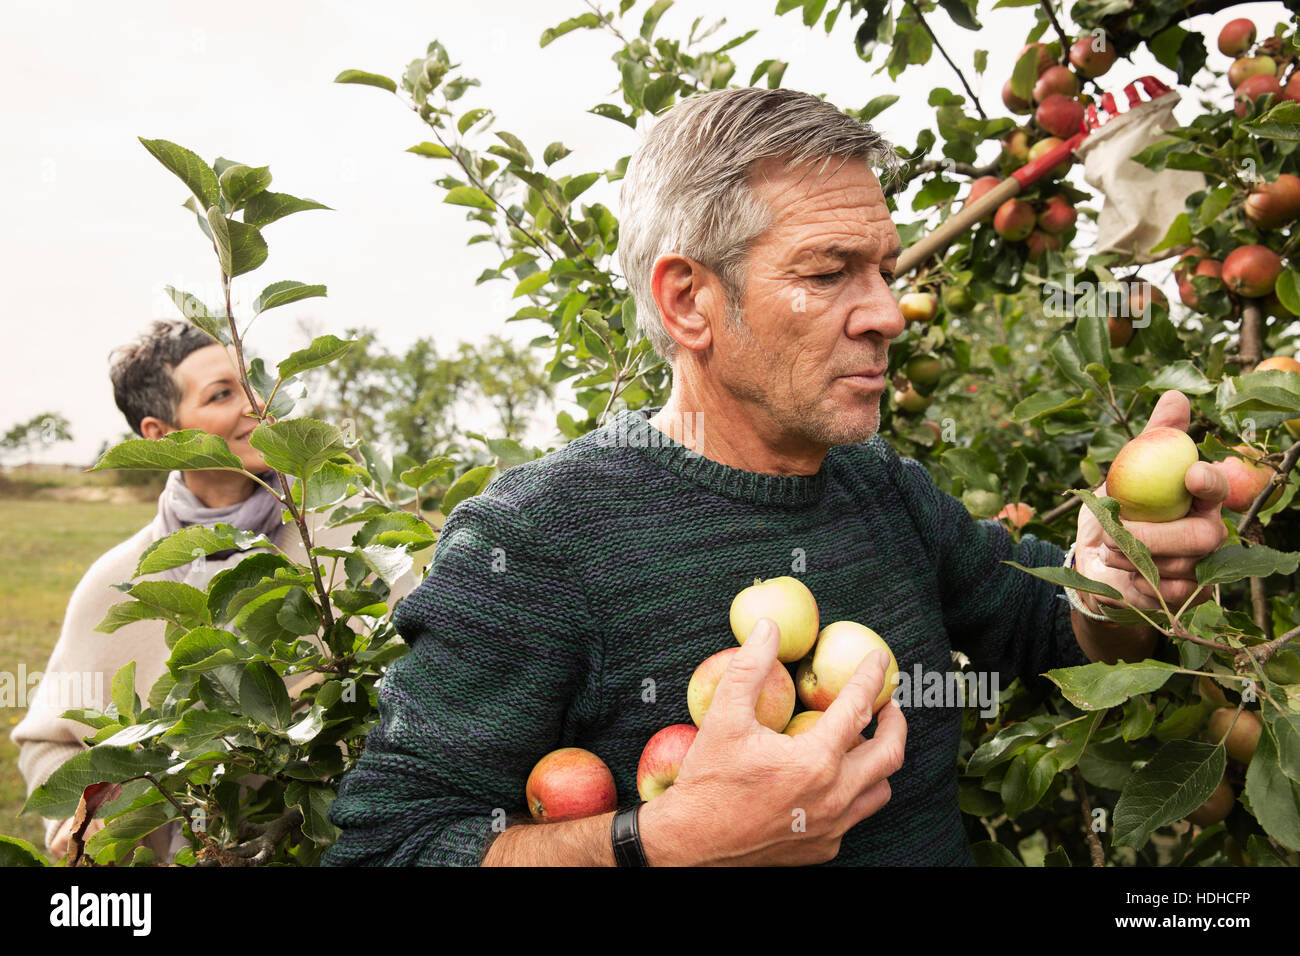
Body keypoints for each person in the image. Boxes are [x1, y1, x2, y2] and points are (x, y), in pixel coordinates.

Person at [321, 88, 1229, 867]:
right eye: (831, 272)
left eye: (881, 267)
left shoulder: (882, 488)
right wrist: (659, 843)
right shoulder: (541, 538)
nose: (885, 313)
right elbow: (388, 847)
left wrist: (1114, 589)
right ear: (689, 301)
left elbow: (1055, 632)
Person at [11, 320, 414, 861]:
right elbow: (48, 740)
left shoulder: (349, 540)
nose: (254, 404)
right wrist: (83, 813)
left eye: (250, 382)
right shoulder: (119, 581)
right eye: (222, 394)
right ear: (160, 434)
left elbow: (436, 682)